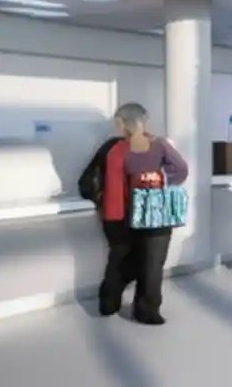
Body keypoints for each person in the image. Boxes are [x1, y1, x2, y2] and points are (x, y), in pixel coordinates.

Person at [79, 102, 189, 324]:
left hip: (119, 217)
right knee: (152, 264)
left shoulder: (111, 148)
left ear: (122, 124)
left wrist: (101, 201)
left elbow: (87, 183)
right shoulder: (159, 146)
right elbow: (181, 170)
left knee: (120, 259)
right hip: (156, 213)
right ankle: (147, 310)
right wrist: (158, 180)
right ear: (143, 122)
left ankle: (108, 304)